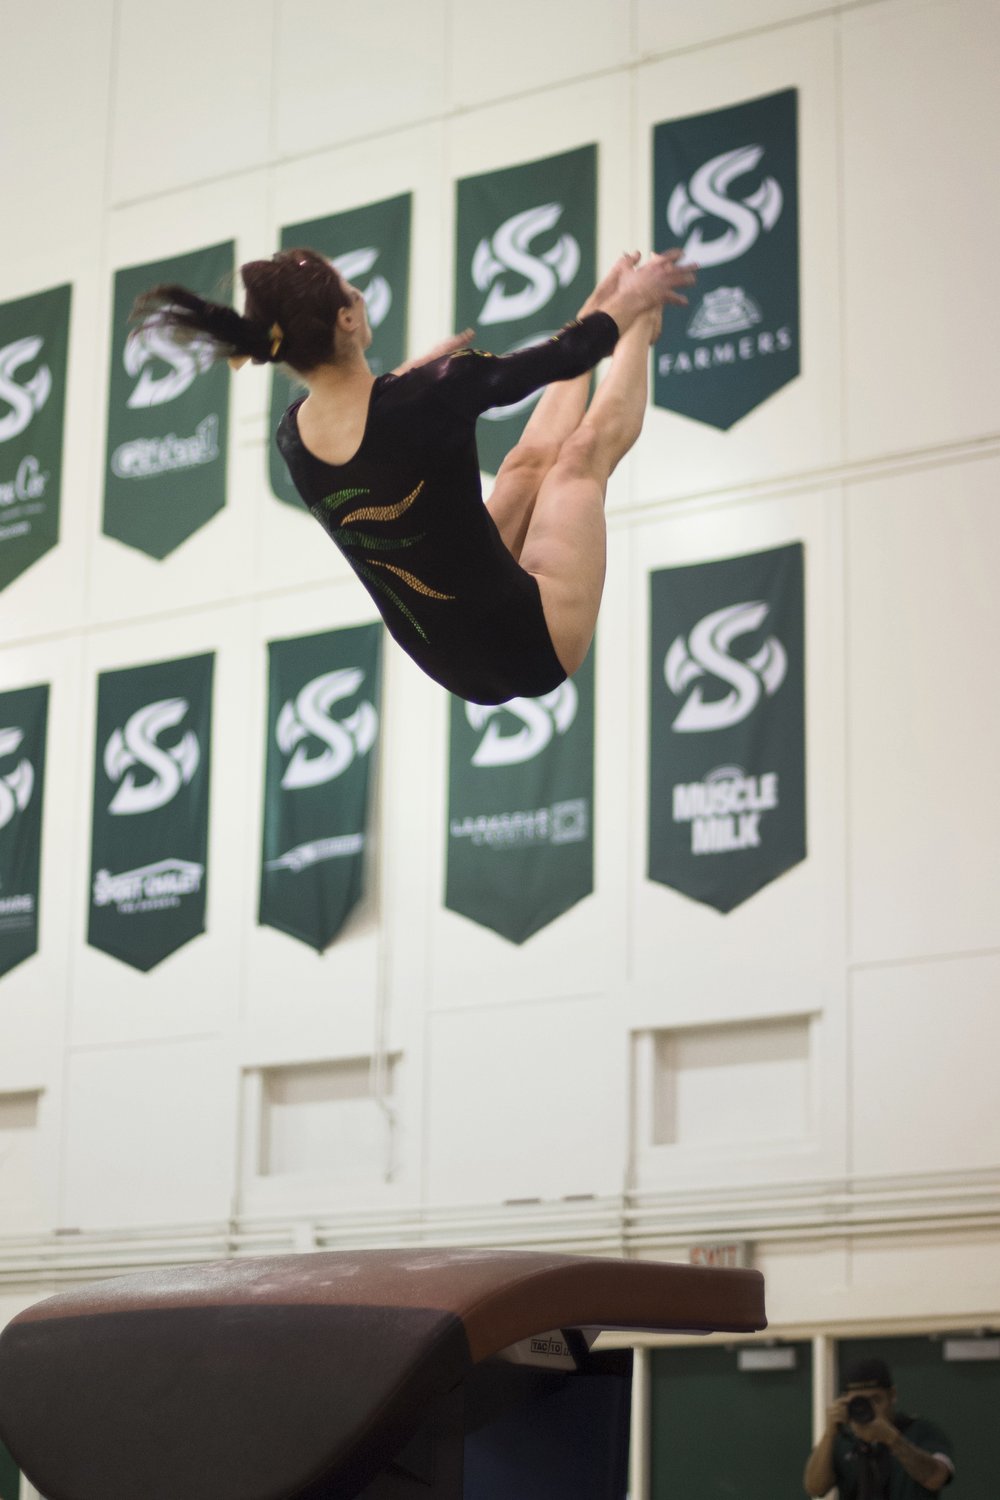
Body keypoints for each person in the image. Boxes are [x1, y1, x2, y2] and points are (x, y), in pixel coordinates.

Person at [133, 246, 696, 703]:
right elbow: (566, 355)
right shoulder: (435, 391)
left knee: (524, 467)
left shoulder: (292, 437)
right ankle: (640, 329)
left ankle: (610, 310)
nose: (357, 293)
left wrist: (410, 372)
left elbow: (373, 425)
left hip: (450, 659)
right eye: (351, 288)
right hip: (531, 645)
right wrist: (634, 299)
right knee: (577, 464)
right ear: (348, 318)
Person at [803, 1357, 954, 1499]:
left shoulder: (921, 1431)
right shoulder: (842, 1439)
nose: (869, 1409)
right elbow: (815, 1489)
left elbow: (936, 1479)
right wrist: (829, 1434)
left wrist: (892, 1439)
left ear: (892, 1396)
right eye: (860, 1402)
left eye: (875, 1400)